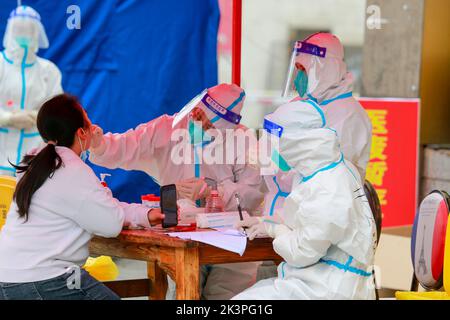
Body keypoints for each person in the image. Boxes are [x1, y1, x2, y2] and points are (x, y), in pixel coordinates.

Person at [88, 83, 264, 299]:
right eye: (198, 116)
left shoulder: (244, 141)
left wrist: (214, 192)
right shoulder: (166, 129)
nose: (200, 125)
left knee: (226, 296)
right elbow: (127, 145)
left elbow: (255, 193)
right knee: (184, 292)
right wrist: (100, 144)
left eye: (209, 127)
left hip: (233, 238)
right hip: (182, 234)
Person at [0, 94, 164, 300]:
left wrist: (146, 214)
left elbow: (103, 208)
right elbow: (110, 223)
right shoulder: (73, 169)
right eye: (88, 120)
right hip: (45, 278)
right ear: (81, 133)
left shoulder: (34, 164)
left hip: (7, 277)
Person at [233, 99, 377, 300]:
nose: (270, 148)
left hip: (330, 289)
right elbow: (307, 222)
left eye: (275, 140)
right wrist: (264, 223)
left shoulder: (329, 186)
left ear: (295, 141)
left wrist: (274, 230)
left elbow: (302, 252)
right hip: (315, 279)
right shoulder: (318, 171)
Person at [257, 33, 373, 280]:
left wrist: (281, 162)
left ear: (326, 69)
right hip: (284, 229)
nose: (298, 76)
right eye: (296, 68)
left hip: (318, 243)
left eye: (302, 69)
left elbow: (326, 183)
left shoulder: (349, 115)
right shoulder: (304, 107)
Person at [0, 5, 63, 176]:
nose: (24, 35)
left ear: (37, 33)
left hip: (33, 158)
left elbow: (57, 111)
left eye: (29, 30)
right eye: (19, 29)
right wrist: (8, 118)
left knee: (26, 200)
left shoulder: (49, 71)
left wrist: (38, 117)